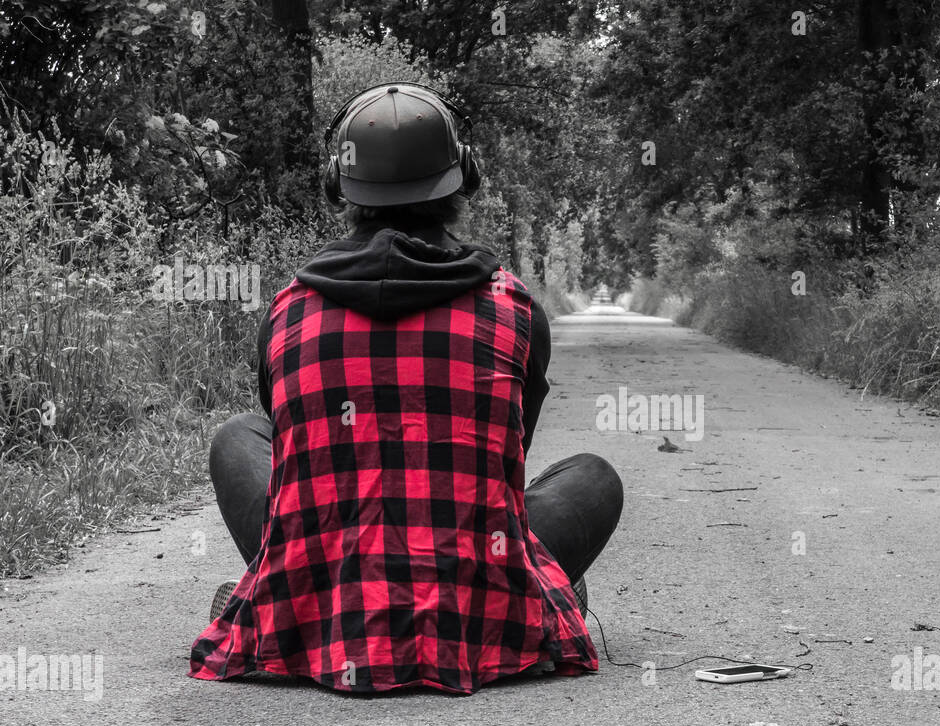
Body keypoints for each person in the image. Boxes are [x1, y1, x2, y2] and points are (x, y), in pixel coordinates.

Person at [190, 83, 623, 694]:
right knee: (594, 477)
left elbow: (296, 453)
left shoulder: (287, 312)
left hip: (332, 586)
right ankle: (536, 587)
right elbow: (508, 458)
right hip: (471, 593)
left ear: (339, 188)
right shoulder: (515, 306)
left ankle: (286, 601)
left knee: (237, 436)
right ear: (461, 179)